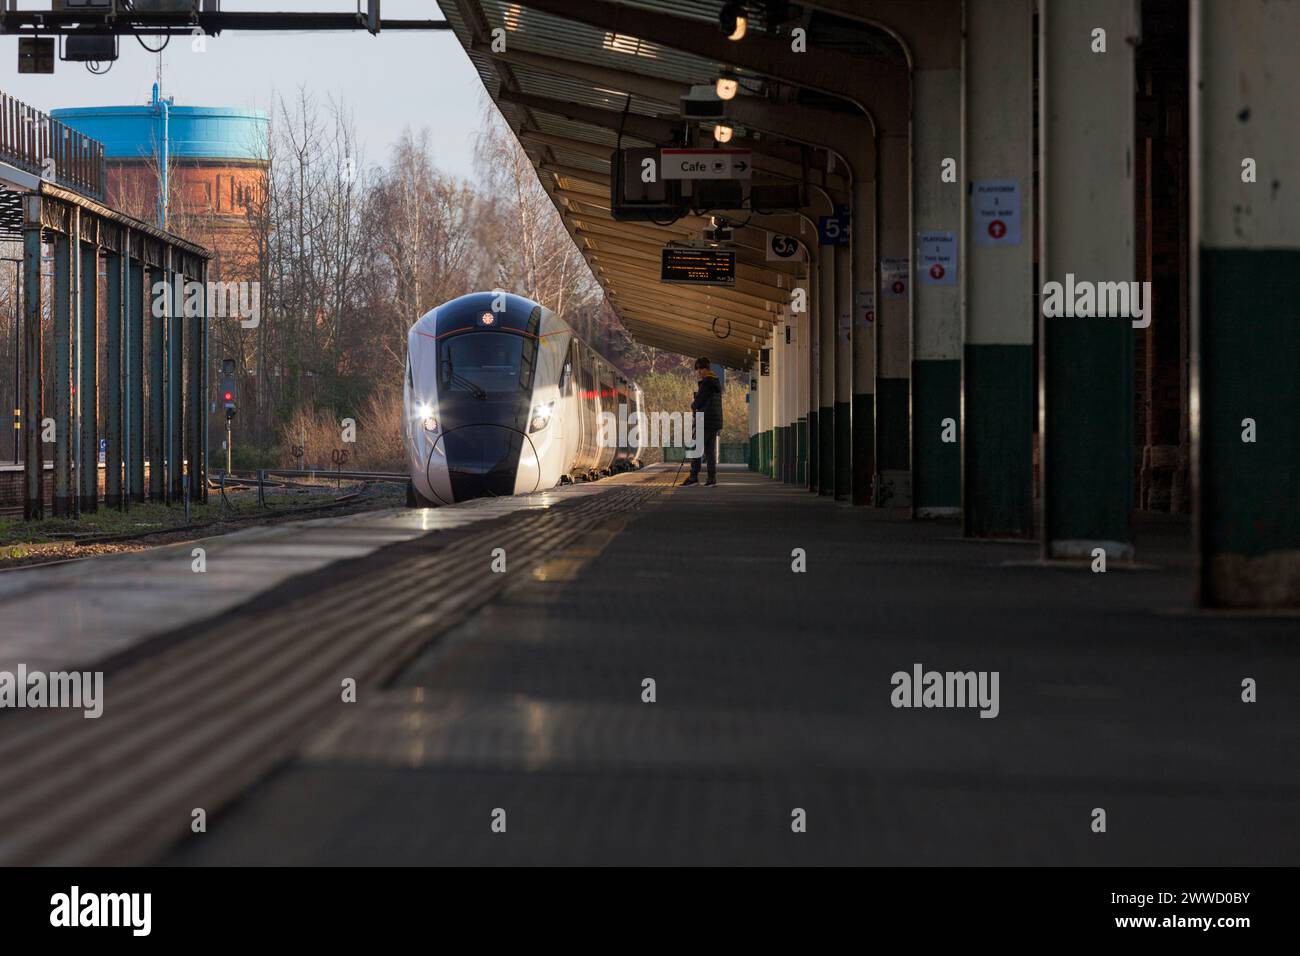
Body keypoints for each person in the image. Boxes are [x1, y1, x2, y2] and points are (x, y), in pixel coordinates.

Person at [682, 356, 723, 486]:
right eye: (697, 369)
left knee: (696, 448)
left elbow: (699, 402)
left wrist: (693, 406)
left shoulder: (707, 382)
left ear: (706, 369)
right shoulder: (715, 381)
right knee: (710, 452)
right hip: (715, 421)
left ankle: (693, 477)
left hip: (705, 421)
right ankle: (711, 479)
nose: (699, 372)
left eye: (701, 369)